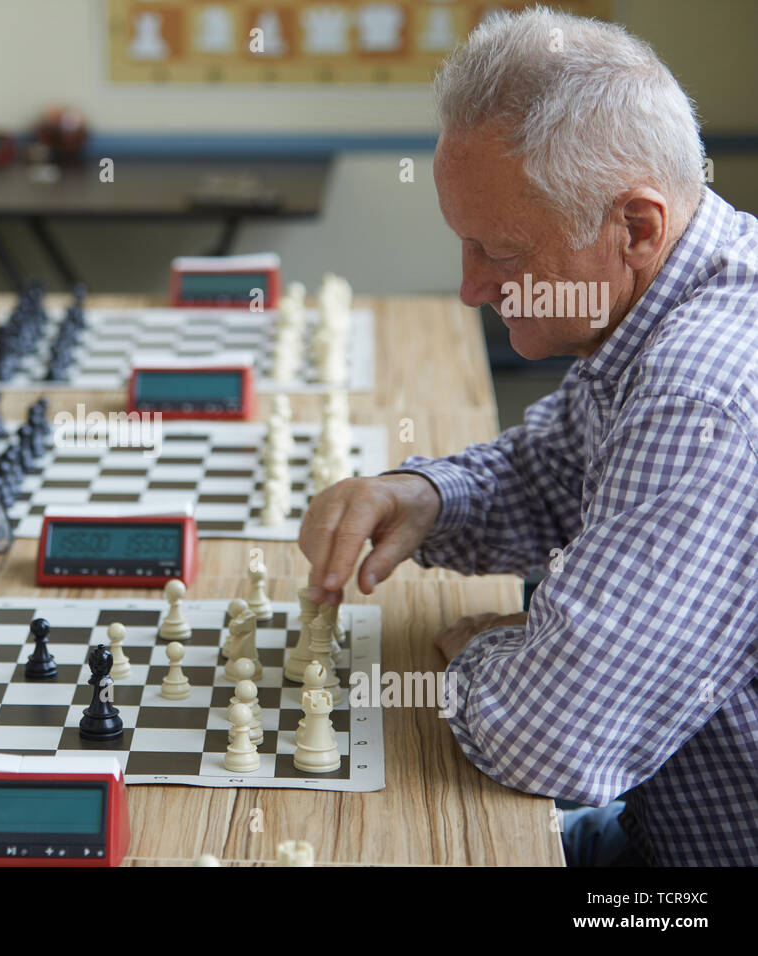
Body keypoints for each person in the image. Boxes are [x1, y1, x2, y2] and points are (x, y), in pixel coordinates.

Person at [299, 8, 757, 866]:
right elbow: (554, 473)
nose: (470, 287)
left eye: (499, 252)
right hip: (650, 824)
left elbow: (556, 738)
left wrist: (500, 647)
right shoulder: (663, 300)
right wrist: (424, 497)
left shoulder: (703, 393)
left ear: (636, 227)